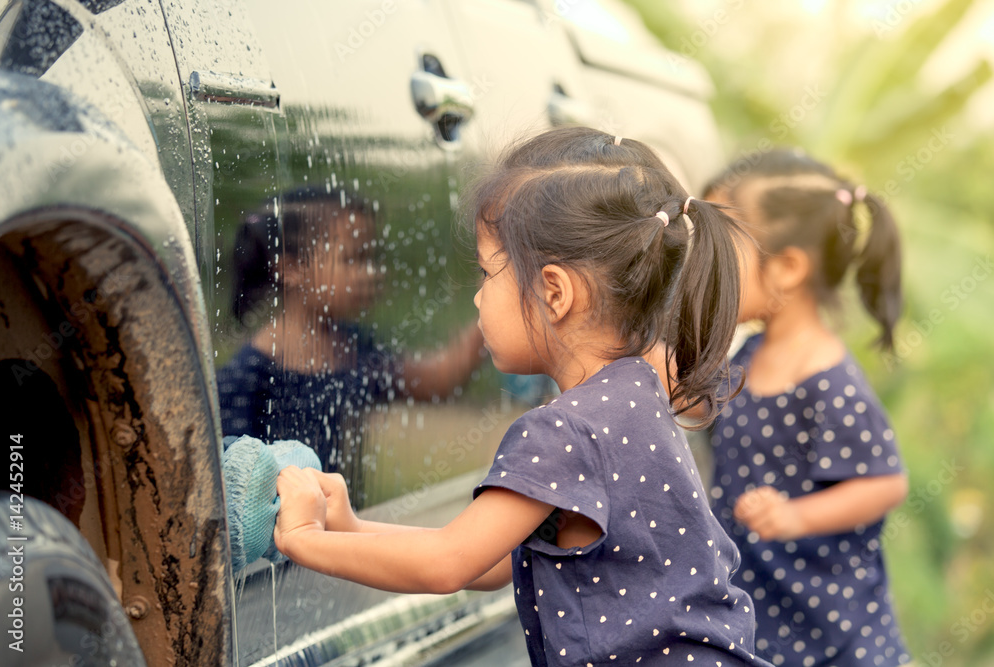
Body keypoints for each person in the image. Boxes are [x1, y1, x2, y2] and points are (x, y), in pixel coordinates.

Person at [273, 127, 774, 666]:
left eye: (489, 273)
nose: (477, 296)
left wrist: (304, 539)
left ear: (554, 292)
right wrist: (350, 528)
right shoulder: (633, 395)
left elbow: (449, 562)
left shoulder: (564, 430)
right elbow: (490, 561)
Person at [703, 149, 911, 666]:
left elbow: (885, 483)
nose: (703, 267)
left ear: (788, 268)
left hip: (839, 635)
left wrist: (796, 516)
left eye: (719, 251)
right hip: (769, 617)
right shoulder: (747, 356)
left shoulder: (830, 382)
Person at [217, 187, 485, 493]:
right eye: (355, 259)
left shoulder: (352, 348)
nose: (373, 273)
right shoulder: (245, 381)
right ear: (291, 268)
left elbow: (438, 380)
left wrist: (493, 302)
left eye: (373, 257)